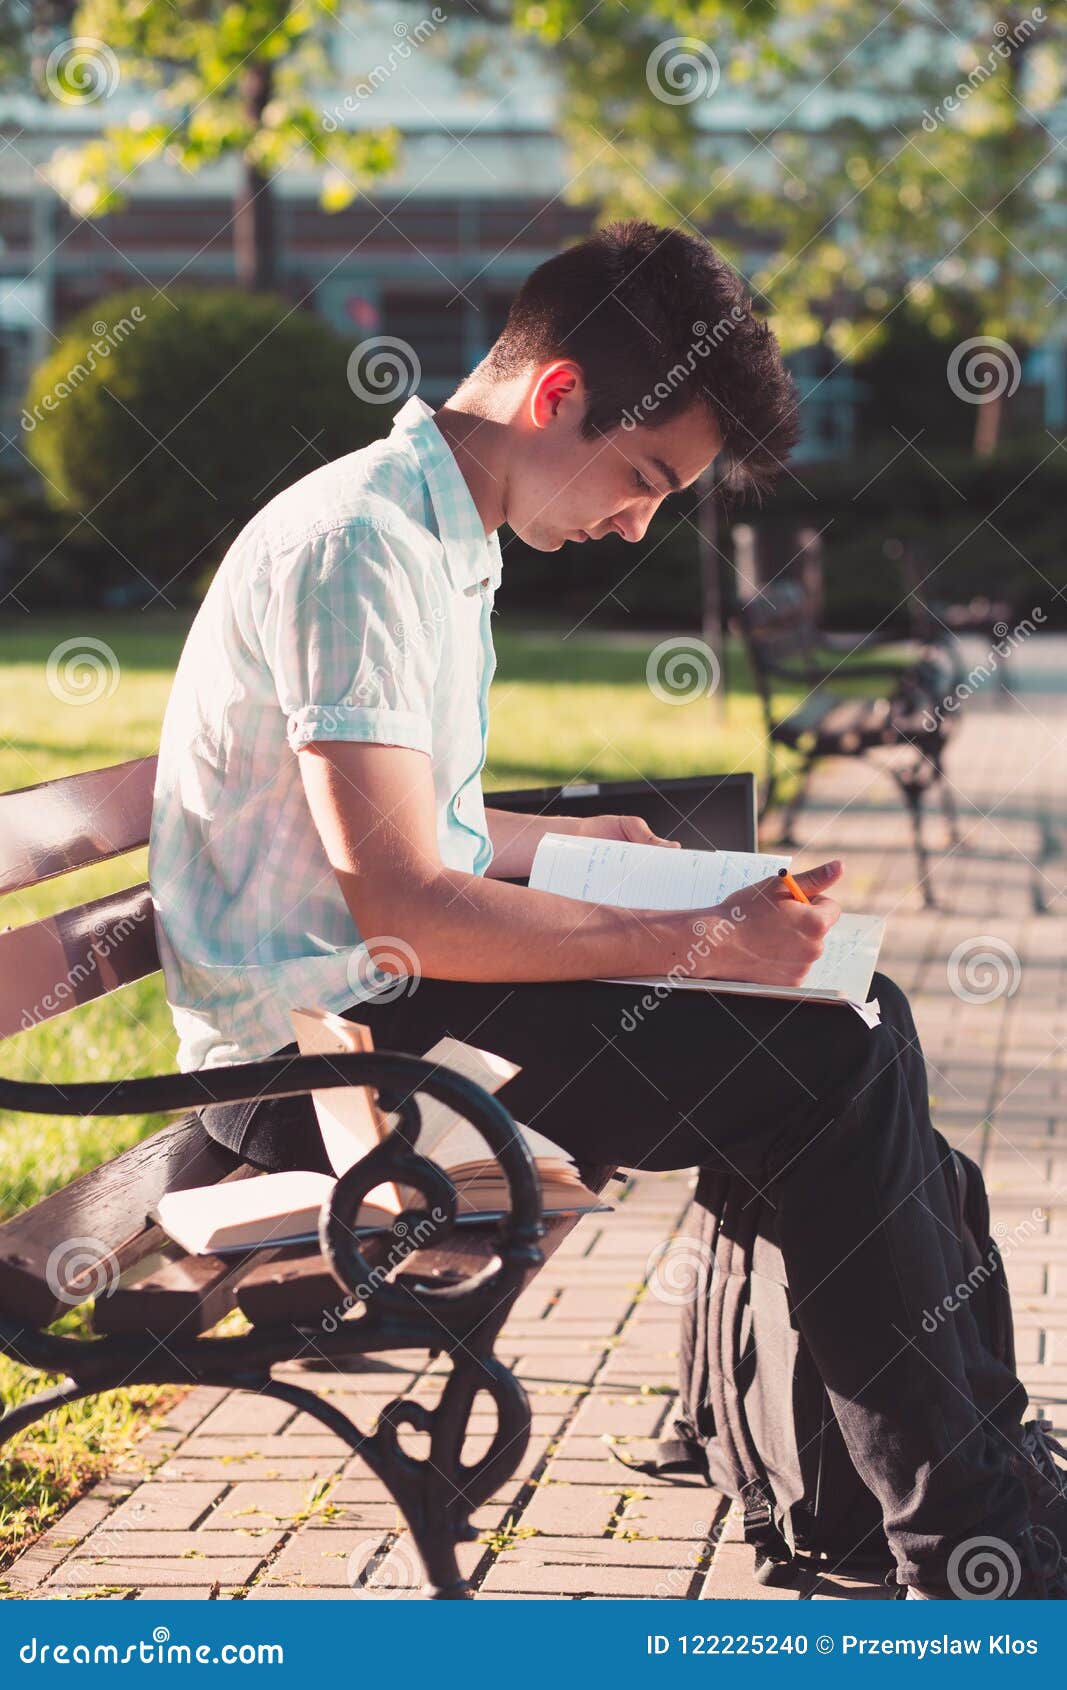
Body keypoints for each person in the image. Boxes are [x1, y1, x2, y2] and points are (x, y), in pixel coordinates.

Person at [149, 219, 1066, 1599]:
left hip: (370, 1012)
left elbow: (405, 830)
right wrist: (699, 937)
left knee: (853, 1010)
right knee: (822, 1049)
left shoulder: (435, 532)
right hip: (319, 1073)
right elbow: (402, 899)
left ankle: (962, 1472)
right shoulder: (363, 547)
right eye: (645, 477)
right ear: (557, 394)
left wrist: (560, 838)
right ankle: (963, 1539)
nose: (641, 519)